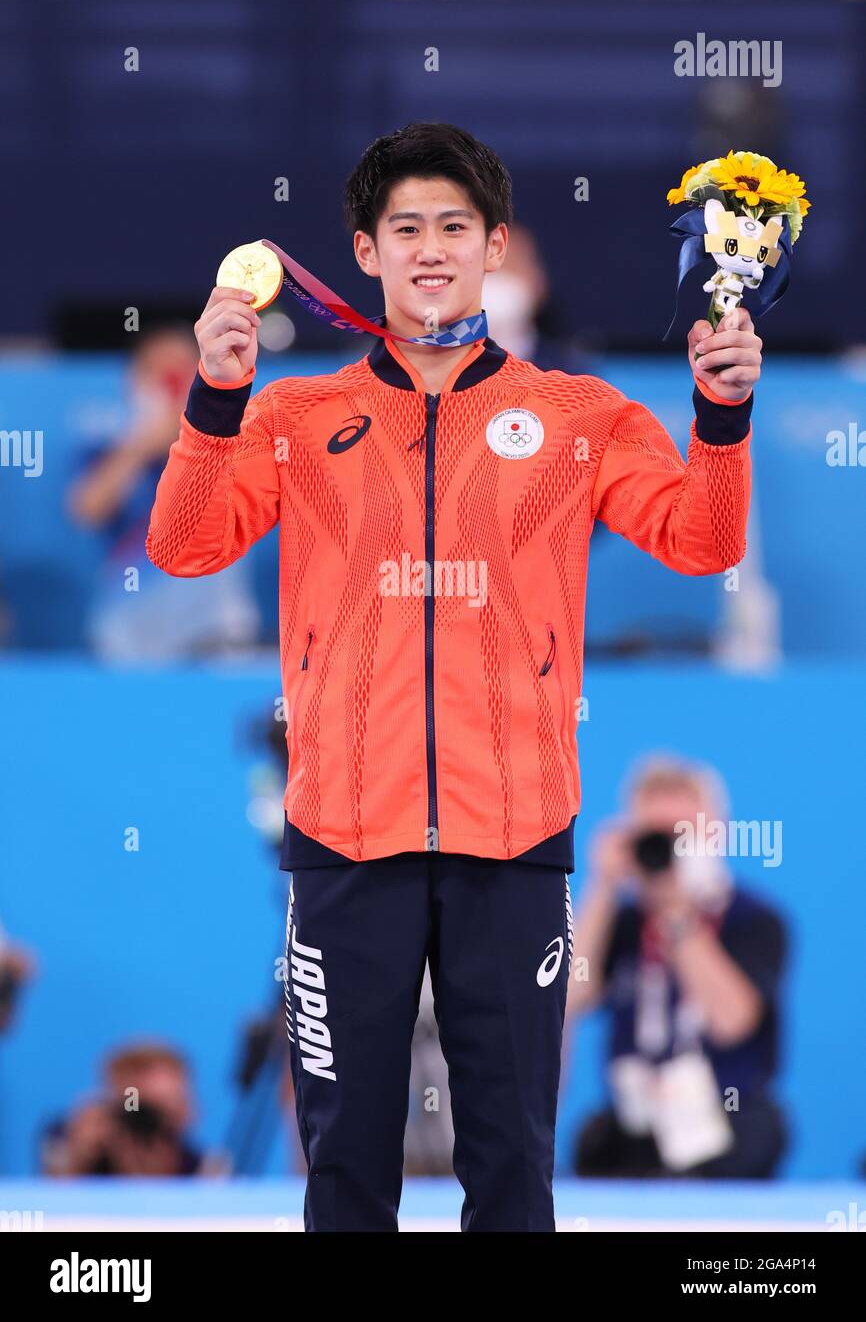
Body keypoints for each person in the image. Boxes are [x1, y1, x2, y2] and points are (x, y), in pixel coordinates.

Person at [146, 121, 762, 1231]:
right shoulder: (296, 416)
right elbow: (184, 546)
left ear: (495, 245)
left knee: (512, 1163)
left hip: (514, 840)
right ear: (366, 251)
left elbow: (702, 541)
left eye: (453, 227)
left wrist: (720, 419)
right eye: (405, 229)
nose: (430, 249)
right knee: (343, 1167)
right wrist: (217, 397)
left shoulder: (580, 418)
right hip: (343, 837)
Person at [566, 755, 788, 1178]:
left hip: (726, 1116)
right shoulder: (624, 921)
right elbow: (571, 996)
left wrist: (678, 915)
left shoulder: (754, 919)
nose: (667, 852)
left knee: (760, 1133)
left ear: (715, 833)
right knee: (591, 1144)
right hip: (636, 1121)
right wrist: (603, 885)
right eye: (657, 837)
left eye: (681, 834)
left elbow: (731, 1021)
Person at [68, 326, 260, 662]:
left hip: (216, 628)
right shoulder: (104, 448)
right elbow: (87, 510)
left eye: (181, 374)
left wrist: (195, 438)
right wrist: (142, 445)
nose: (170, 388)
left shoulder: (234, 441)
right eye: (159, 374)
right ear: (134, 382)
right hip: (131, 625)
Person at [40, 1040, 217, 1177]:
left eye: (154, 1110)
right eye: (133, 1101)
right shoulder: (69, 1135)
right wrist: (78, 1158)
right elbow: (51, 1196)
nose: (141, 1118)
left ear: (187, 1110)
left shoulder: (199, 1166)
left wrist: (164, 1176)